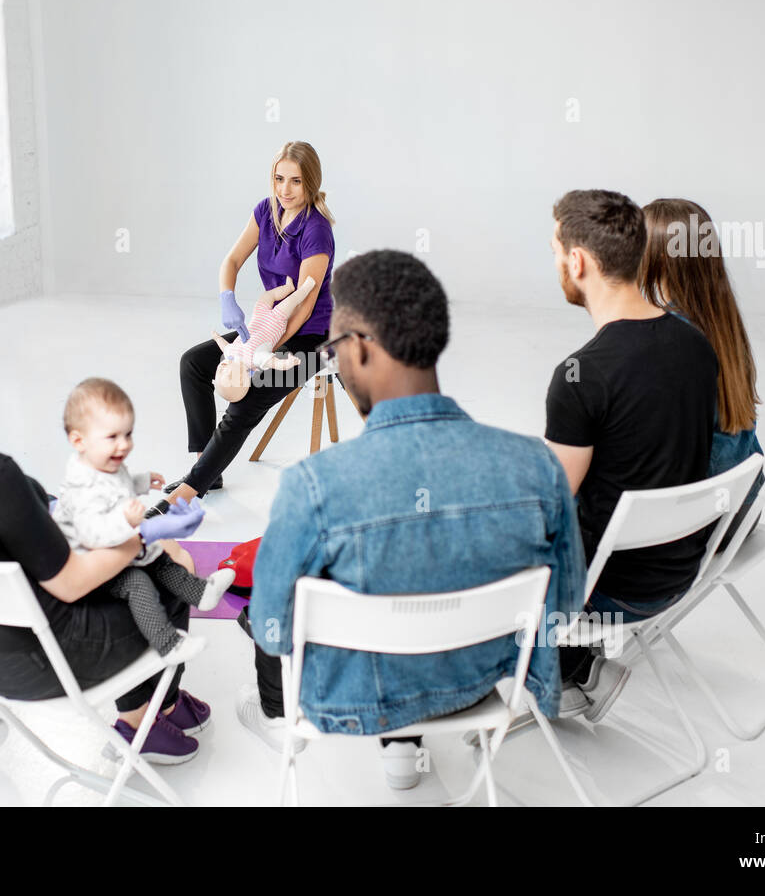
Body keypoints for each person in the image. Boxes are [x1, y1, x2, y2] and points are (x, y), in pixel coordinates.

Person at [244, 250, 587, 791]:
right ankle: (407, 746)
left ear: (357, 347)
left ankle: (298, 723)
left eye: (333, 349)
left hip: (361, 696)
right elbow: (564, 604)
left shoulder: (313, 487)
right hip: (483, 684)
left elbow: (273, 628)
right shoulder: (537, 468)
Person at [0, 292, 214, 763]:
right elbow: (70, 583)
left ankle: (161, 704)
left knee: (136, 561)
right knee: (170, 563)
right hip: (42, 659)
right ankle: (141, 721)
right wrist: (145, 536)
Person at [543, 189, 719, 722]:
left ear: (578, 261)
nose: (555, 265)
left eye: (555, 252)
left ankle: (547, 670)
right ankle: (572, 668)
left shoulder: (580, 376)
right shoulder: (697, 346)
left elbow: (547, 506)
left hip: (607, 591)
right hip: (681, 571)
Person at [157, 141, 336, 511]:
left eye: (296, 182)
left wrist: (260, 350)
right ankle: (206, 466)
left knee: (249, 399)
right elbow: (233, 259)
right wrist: (228, 297)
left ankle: (190, 490)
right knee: (194, 363)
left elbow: (303, 306)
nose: (284, 190)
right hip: (267, 328)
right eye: (279, 179)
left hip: (309, 339)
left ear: (311, 183)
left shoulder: (316, 230)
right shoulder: (266, 212)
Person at [53, 377, 236, 660]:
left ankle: (201, 593)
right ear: (78, 440)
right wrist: (127, 522)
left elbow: (117, 483)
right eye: (113, 437)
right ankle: (167, 644)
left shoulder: (102, 462)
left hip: (116, 548)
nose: (124, 445)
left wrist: (139, 481)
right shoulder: (82, 487)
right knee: (137, 583)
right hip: (93, 565)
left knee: (159, 558)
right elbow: (93, 534)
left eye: (128, 434)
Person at [640, 198, 765, 546]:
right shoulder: (723, 323)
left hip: (702, 523)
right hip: (745, 509)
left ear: (658, 258)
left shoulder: (669, 339)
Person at [210, 275, 317, 402]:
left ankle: (288, 287)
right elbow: (275, 363)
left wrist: (217, 338)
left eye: (218, 372)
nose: (220, 369)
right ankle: (306, 288)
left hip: (258, 317)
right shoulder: (255, 360)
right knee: (291, 302)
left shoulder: (230, 355)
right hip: (276, 321)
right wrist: (288, 363)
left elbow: (225, 347)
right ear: (240, 378)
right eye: (225, 374)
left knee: (266, 297)